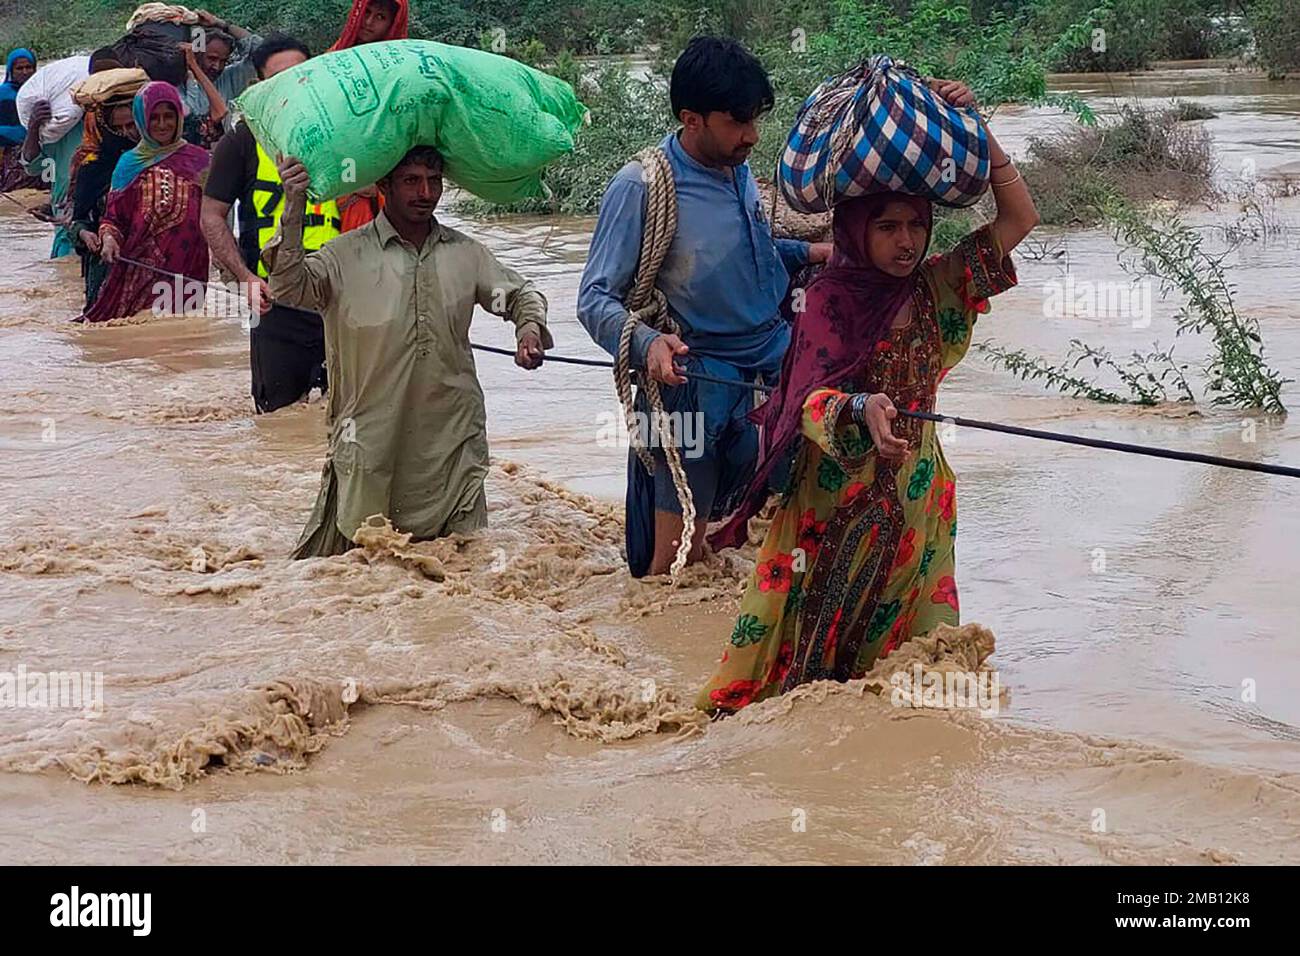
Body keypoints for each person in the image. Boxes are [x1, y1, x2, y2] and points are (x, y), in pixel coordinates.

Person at [696, 79, 1040, 715]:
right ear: (856, 230)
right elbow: (806, 401)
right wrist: (860, 408)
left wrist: (976, 128)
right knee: (800, 678)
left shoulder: (939, 289)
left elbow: (1020, 219)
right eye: (887, 227)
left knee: (926, 680)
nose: (906, 242)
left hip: (919, 502)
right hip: (832, 506)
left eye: (915, 225)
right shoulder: (828, 301)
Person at [577, 36, 831, 577]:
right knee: (677, 569)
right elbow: (594, 299)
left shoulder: (739, 172)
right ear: (691, 119)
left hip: (772, 365)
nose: (752, 137)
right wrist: (648, 343)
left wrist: (810, 252)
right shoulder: (642, 186)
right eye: (737, 122)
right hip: (695, 381)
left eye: (756, 120)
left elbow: (748, 258)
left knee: (796, 526)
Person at [265, 144, 550, 558]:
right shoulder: (345, 257)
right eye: (411, 181)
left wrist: (528, 329)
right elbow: (288, 286)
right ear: (384, 186)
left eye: (434, 182)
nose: (425, 193)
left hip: (452, 438)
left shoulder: (465, 254)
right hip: (369, 440)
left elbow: (518, 294)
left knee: (463, 566)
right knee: (363, 569)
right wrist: (293, 206)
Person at [202, 33, 339, 412]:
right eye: (280, 78)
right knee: (277, 421)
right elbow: (211, 215)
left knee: (348, 417)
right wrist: (244, 278)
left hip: (342, 302)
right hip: (272, 302)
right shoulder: (241, 142)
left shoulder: (345, 134)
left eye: (302, 74)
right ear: (261, 86)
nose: (294, 86)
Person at [78, 82, 210, 323]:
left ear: (179, 117)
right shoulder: (128, 164)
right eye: (154, 118)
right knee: (137, 334)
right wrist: (108, 238)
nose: (162, 124)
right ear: (143, 120)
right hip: (140, 270)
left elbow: (215, 214)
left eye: (168, 116)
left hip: (189, 267)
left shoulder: (200, 160)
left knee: (187, 341)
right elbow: (114, 217)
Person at [327, 0, 410, 231]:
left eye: (381, 17)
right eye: (367, 13)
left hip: (381, 173)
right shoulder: (332, 60)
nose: (369, 22)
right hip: (338, 170)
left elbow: (402, 127)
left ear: (393, 24)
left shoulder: (398, 68)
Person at [69, 93, 141, 310]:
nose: (127, 133)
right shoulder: (92, 169)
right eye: (117, 128)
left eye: (132, 124)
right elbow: (77, 222)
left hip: (155, 271)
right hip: (106, 271)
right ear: (105, 128)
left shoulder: (161, 161)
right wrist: (85, 234)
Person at [19, 59, 85, 258]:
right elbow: (34, 166)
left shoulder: (116, 131)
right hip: (65, 219)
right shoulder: (58, 129)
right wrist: (33, 126)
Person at [179, 11, 262, 147]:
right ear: (197, 53)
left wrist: (222, 25)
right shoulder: (181, 85)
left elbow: (262, 50)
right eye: (212, 58)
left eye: (223, 60)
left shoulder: (230, 78)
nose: (217, 67)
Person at [0, 48, 44, 193]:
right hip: (11, 153)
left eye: (29, 67)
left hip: (39, 150)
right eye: (19, 68)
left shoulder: (42, 90)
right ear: (11, 70)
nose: (25, 72)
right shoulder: (4, 94)